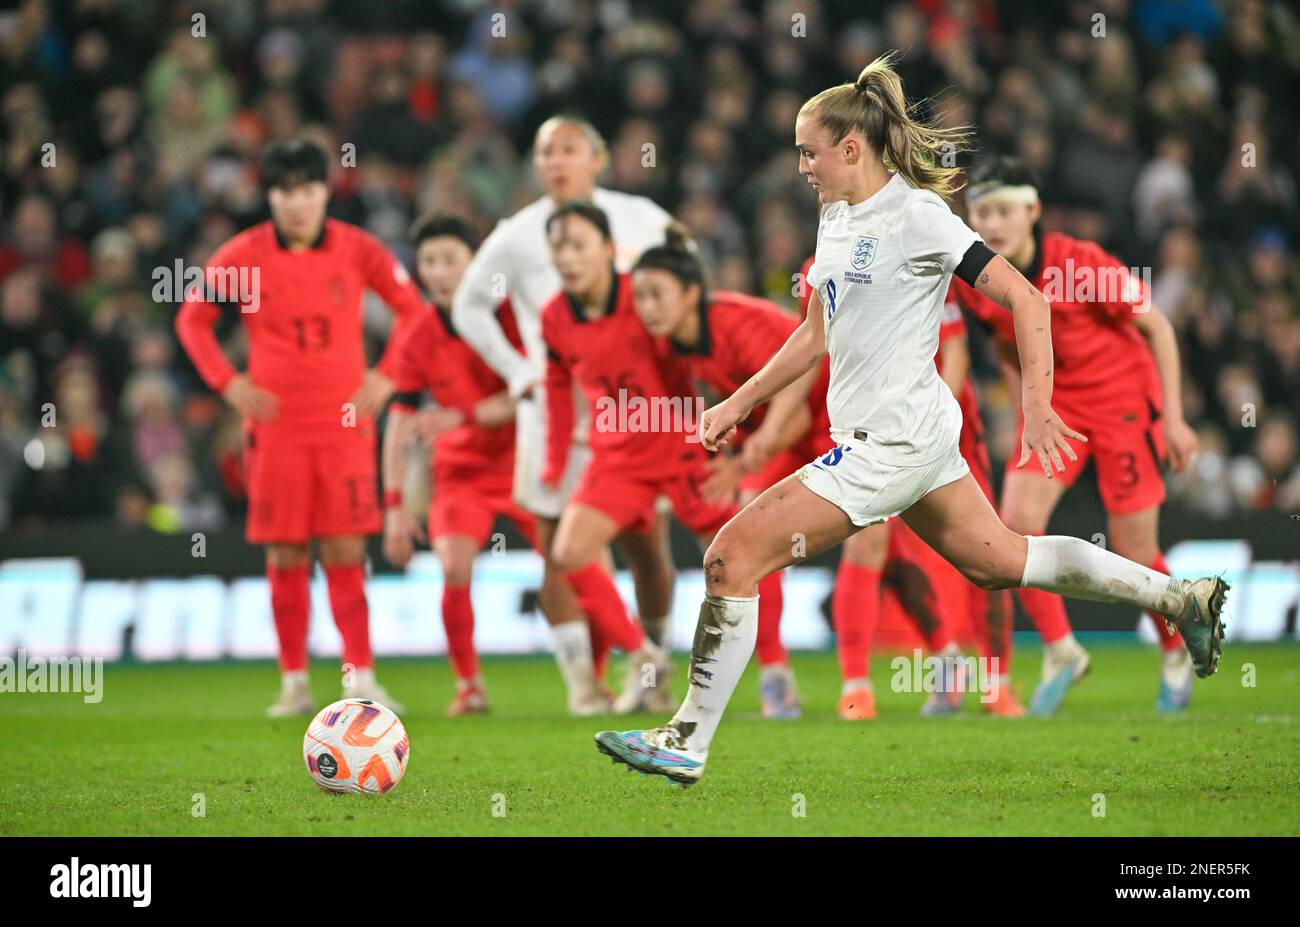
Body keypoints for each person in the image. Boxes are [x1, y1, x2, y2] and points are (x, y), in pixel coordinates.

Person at [594, 54, 1227, 786]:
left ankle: (688, 737)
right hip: (916, 439)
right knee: (1002, 561)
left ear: (852, 149)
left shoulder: (918, 216)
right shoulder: (833, 217)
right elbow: (813, 333)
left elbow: (1026, 298)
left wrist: (1035, 406)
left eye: (810, 150)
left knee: (730, 558)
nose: (801, 165)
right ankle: (1179, 597)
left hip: (890, 442)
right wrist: (739, 402)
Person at [175, 139, 424, 717]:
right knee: (286, 553)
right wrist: (227, 382)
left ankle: (358, 677)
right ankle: (294, 681)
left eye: (308, 189)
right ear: (270, 195)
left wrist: (387, 377)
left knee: (344, 548)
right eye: (284, 190)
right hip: (277, 426)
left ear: (324, 191)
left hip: (343, 424)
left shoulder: (359, 249)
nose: (296, 202)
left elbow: (413, 312)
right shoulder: (242, 255)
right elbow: (192, 321)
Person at [954, 156, 1202, 714]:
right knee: (1015, 527)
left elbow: (1157, 326)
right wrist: (1026, 405)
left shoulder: (1081, 264)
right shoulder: (979, 280)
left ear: (1033, 211)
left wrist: (1177, 417)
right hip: (1058, 409)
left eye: (1004, 210)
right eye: (981, 211)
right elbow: (1003, 340)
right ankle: (1062, 649)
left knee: (1135, 549)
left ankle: (1173, 648)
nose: (992, 223)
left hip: (1123, 405)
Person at [452, 115, 675, 713]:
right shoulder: (518, 234)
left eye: (569, 149)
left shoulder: (639, 218)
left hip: (632, 413)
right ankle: (584, 683)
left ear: (597, 158)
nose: (555, 162)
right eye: (545, 152)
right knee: (559, 550)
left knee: (646, 547)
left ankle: (652, 667)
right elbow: (470, 305)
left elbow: (687, 280)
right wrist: (519, 369)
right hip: (552, 415)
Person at [541, 201, 739, 713]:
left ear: (609, 250)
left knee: (731, 556)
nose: (568, 256)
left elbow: (700, 346)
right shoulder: (554, 317)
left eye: (578, 244)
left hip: (679, 446)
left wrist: (733, 436)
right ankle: (645, 658)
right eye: (558, 246)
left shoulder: (645, 294)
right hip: (618, 460)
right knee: (569, 554)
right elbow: (559, 384)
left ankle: (773, 673)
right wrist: (555, 459)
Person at [379, 215, 535, 717]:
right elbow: (398, 427)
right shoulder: (417, 335)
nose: (440, 272)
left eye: (451, 259)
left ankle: (598, 678)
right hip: (460, 471)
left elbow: (530, 394)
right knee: (453, 568)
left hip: (524, 462)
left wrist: (460, 415)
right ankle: (469, 686)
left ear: (475, 263)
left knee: (572, 564)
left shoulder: (508, 314)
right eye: (429, 261)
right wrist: (395, 505)